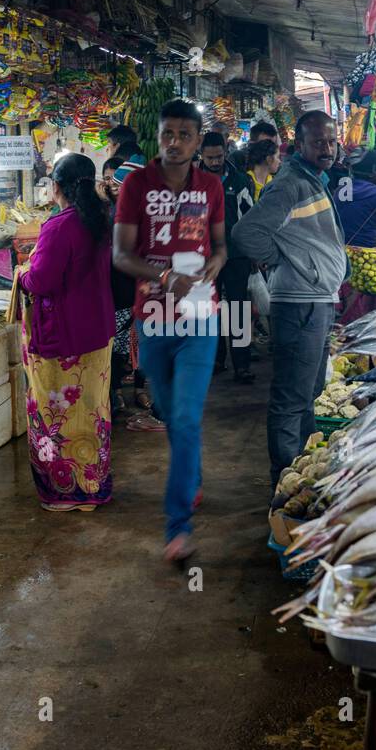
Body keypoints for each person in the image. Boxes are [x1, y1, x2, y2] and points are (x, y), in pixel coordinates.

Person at [113, 99, 227, 562]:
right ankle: (191, 471)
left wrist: (216, 263)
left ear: (199, 140)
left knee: (184, 417)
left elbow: (221, 246)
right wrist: (162, 278)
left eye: (185, 134)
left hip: (201, 315)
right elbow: (120, 255)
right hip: (154, 317)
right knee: (165, 408)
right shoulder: (136, 184)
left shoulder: (212, 186)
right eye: (168, 134)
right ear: (158, 138)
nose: (175, 142)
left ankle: (177, 526)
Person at [233, 110, 347, 488]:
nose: (327, 148)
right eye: (318, 142)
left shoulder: (313, 179)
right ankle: (283, 482)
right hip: (298, 303)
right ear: (299, 144)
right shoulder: (291, 183)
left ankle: (302, 467)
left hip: (314, 300)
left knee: (309, 392)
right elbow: (247, 234)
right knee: (290, 398)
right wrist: (289, 260)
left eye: (331, 141)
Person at [18, 154, 115, 511]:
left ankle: (66, 492)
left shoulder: (59, 226)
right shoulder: (99, 220)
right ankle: (92, 485)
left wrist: (22, 273)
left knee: (57, 413)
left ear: (56, 186)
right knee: (92, 409)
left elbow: (41, 280)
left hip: (64, 338)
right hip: (96, 332)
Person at [198, 131, 256, 381]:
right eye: (209, 157)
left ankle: (241, 364)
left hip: (236, 255)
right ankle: (215, 359)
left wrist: (254, 252)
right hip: (204, 257)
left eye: (219, 156)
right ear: (201, 155)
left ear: (225, 151)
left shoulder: (240, 181)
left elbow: (250, 217)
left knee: (238, 309)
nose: (214, 162)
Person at [336, 148, 376, 247]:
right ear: (373, 169)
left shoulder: (343, 186)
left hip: (339, 244)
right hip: (364, 248)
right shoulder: (373, 192)